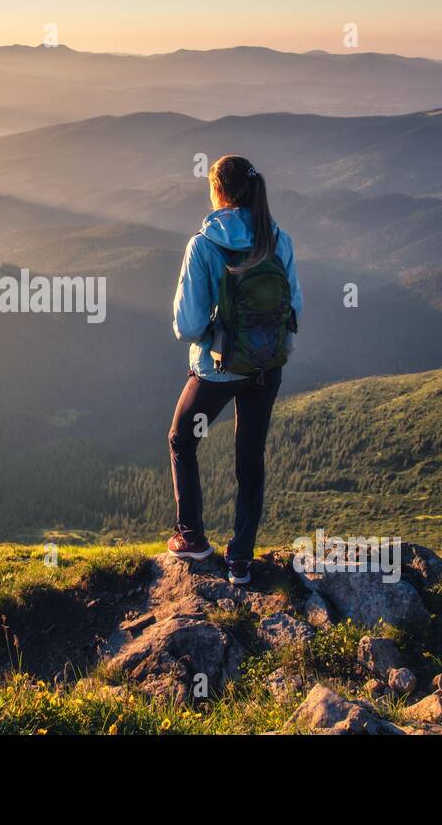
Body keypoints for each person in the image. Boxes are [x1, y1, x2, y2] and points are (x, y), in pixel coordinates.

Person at [167, 154, 302, 584]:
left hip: (218, 370)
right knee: (250, 458)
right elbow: (293, 306)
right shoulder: (279, 239)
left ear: (217, 192)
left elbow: (187, 325)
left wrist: (216, 333)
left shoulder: (204, 245)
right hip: (267, 367)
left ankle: (192, 537)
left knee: (182, 440)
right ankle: (240, 560)